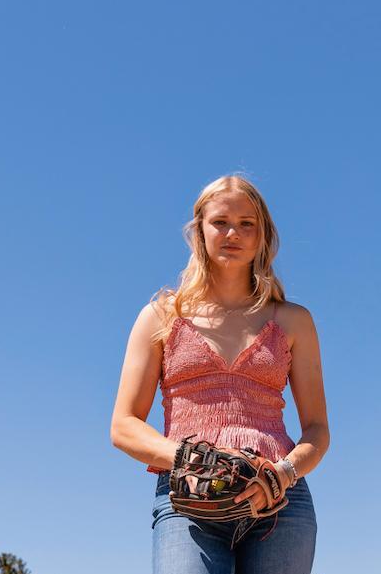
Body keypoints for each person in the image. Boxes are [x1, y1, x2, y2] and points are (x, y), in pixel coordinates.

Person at [110, 174, 330, 574]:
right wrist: (193, 459)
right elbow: (123, 426)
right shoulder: (161, 316)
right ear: (199, 230)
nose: (233, 232)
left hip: (281, 504)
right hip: (189, 501)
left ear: (263, 235)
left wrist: (283, 474)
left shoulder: (294, 321)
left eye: (247, 223)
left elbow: (317, 430)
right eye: (220, 221)